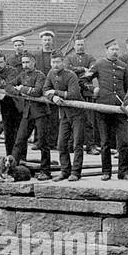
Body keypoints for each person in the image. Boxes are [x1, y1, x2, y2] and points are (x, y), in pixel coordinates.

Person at [87, 38, 128, 181]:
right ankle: (106, 172)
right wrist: (93, 89)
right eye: (112, 50)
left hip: (120, 109)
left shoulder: (123, 66)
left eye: (116, 50)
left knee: (124, 142)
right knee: (105, 142)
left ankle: (123, 172)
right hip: (103, 107)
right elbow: (83, 80)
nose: (115, 52)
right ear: (106, 51)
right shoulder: (99, 64)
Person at [11, 52, 53, 179]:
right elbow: (8, 85)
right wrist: (17, 92)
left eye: (27, 62)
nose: (25, 65)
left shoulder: (40, 75)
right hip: (27, 112)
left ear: (34, 62)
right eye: (23, 62)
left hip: (40, 113)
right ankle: (12, 169)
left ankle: (45, 171)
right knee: (19, 141)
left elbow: (37, 91)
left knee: (43, 143)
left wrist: (22, 89)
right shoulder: (22, 75)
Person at [44, 52, 84, 182]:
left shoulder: (71, 75)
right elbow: (45, 90)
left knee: (77, 143)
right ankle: (64, 171)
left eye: (58, 62)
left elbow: (74, 94)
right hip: (64, 114)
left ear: (63, 62)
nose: (55, 65)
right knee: (61, 143)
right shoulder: (51, 74)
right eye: (53, 62)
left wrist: (56, 92)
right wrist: (53, 97)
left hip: (77, 113)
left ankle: (76, 172)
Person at [0, 49, 20, 149]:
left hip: (13, 104)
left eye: (1, 62)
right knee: (8, 132)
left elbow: (6, 85)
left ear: (5, 62)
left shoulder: (12, 70)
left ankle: (17, 156)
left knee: (14, 131)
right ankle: (9, 154)